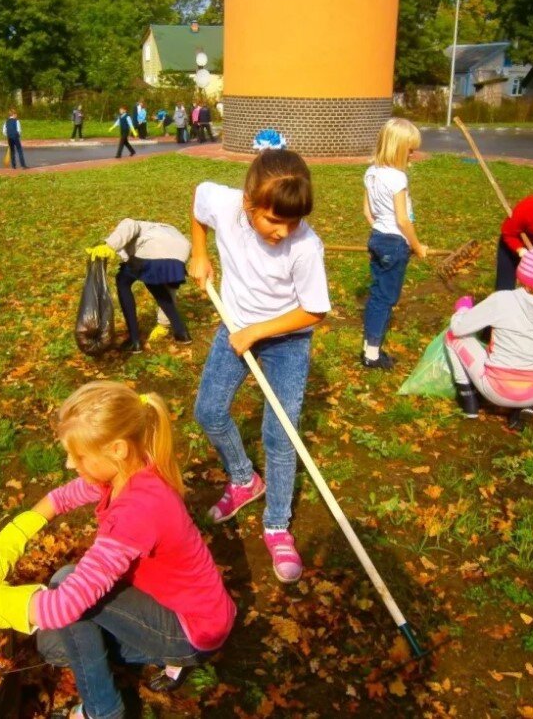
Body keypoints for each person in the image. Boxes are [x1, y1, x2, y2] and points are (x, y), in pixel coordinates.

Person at [0, 381, 235, 719]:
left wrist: (2, 605)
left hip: (192, 630)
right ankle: (148, 658)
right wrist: (17, 532)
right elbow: (61, 498)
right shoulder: (128, 470)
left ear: (117, 448)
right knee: (53, 644)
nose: (69, 463)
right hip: (181, 607)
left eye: (78, 456)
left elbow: (64, 607)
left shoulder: (137, 512)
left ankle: (104, 710)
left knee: (65, 592)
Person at [188, 149, 330, 583]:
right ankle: (244, 479)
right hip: (235, 326)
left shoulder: (305, 246)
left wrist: (258, 332)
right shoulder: (226, 204)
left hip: (286, 340)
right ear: (249, 204)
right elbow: (198, 200)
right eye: (273, 221)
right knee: (208, 411)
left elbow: (314, 311)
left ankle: (276, 524)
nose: (283, 231)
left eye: (292, 222)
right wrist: (199, 253)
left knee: (280, 433)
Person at [444, 247, 533, 431]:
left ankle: (468, 398)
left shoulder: (502, 300)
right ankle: (525, 407)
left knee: (451, 336)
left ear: (520, 273)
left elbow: (458, 328)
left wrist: (462, 310)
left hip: (497, 389)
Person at [361, 118, 427, 369]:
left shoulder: (371, 173)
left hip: (377, 238)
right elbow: (402, 219)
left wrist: (380, 231)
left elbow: (367, 212)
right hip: (395, 243)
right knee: (385, 298)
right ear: (398, 148)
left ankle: (369, 346)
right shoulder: (397, 178)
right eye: (410, 149)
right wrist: (417, 245)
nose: (412, 154)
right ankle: (372, 354)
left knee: (378, 294)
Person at [88, 219, 193, 351]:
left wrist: (109, 246)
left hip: (153, 249)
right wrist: (163, 324)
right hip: (181, 252)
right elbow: (170, 291)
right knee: (154, 282)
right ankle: (182, 333)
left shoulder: (134, 225)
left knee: (123, 281)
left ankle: (134, 340)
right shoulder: (160, 229)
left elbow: (130, 225)